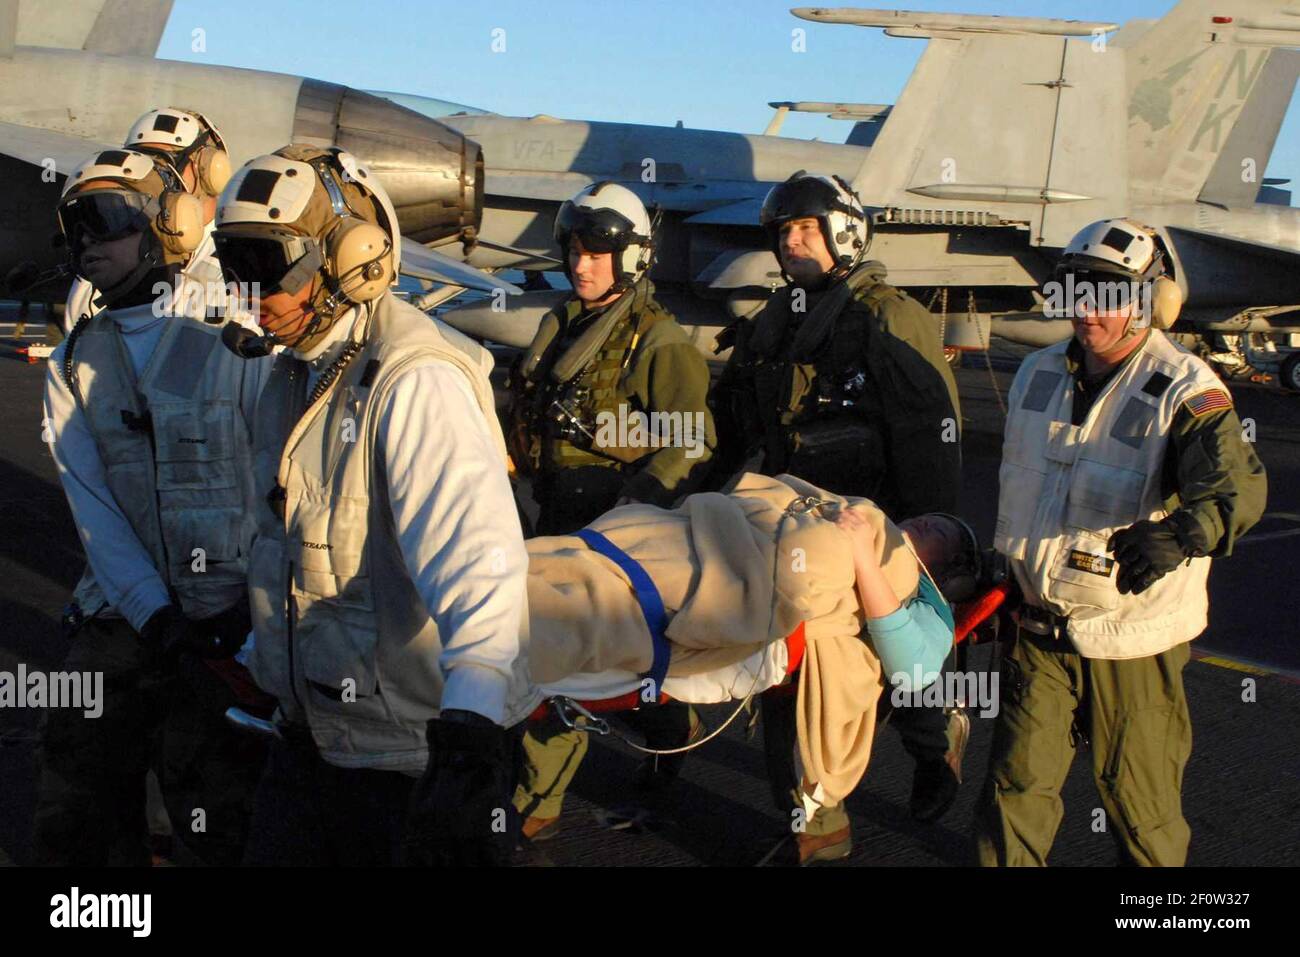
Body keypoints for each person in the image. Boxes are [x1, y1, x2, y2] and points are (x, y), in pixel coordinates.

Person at [214, 144, 535, 866]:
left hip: (407, 760)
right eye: (235, 265)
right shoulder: (294, 374)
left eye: (265, 265)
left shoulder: (413, 380)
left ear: (351, 258)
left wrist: (468, 743)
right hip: (314, 741)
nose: (249, 291)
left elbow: (480, 571)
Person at [974, 218, 1267, 866]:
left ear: (1147, 300)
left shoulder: (1186, 388)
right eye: (1075, 287)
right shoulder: (1035, 375)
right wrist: (999, 569)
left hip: (1131, 639)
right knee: (1013, 795)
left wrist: (1181, 535)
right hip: (1038, 635)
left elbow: (1235, 491)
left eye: (1105, 291)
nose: (1085, 308)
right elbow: (1024, 489)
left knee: (1142, 808)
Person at [711, 170, 964, 862]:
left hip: (867, 537)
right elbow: (733, 422)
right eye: (784, 232)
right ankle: (810, 824)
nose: (792, 244)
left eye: (806, 230)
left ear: (841, 233)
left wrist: (922, 547)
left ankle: (930, 747)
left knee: (880, 678)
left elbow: (931, 440)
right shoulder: (775, 321)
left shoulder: (887, 318)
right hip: (785, 534)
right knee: (784, 692)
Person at [35, 147, 270, 866]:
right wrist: (155, 612)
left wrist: (247, 608)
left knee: (222, 818)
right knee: (79, 808)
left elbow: (275, 484)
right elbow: (92, 506)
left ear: (163, 224)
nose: (87, 243)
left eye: (107, 221)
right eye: (76, 227)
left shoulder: (235, 342)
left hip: (233, 618)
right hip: (126, 617)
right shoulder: (72, 362)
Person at [506, 182, 716, 841]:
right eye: (574, 249)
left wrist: (643, 495)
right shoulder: (564, 324)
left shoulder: (655, 340)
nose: (580, 263)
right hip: (556, 512)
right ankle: (667, 722)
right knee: (586, 660)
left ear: (630, 259)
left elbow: (694, 436)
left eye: (597, 251)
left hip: (613, 525)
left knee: (563, 663)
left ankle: (533, 805)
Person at [64, 108, 233, 333]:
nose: (154, 173)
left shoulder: (238, 265)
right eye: (144, 161)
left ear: (210, 171)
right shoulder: (100, 273)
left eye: (166, 162)